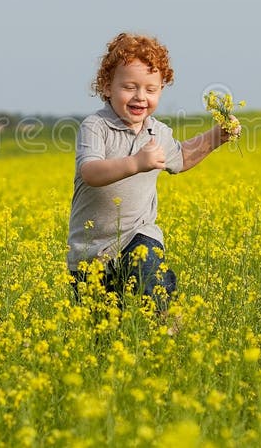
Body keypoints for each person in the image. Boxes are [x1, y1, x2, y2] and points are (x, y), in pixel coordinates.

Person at [67, 32, 240, 316]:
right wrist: (136, 163)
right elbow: (90, 172)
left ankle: (168, 321)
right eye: (129, 87)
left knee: (149, 267)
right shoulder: (95, 126)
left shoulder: (157, 132)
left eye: (151, 89)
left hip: (136, 234)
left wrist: (216, 137)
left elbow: (181, 157)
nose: (140, 96)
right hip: (90, 253)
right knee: (104, 329)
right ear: (107, 87)